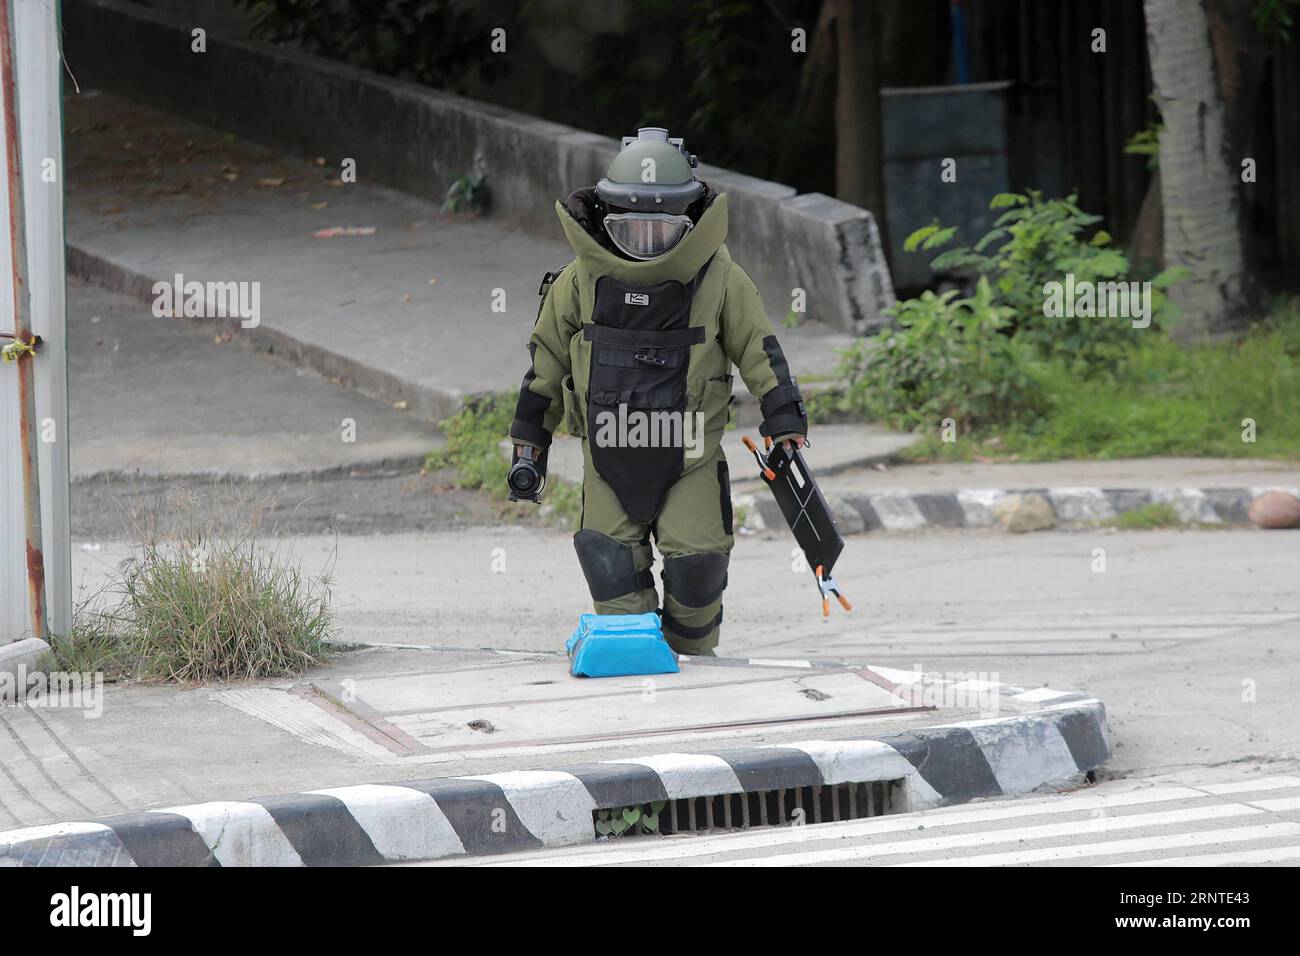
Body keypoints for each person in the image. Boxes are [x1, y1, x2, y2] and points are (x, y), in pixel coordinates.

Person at [508, 127, 807, 656]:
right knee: (609, 566)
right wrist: (529, 443)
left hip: (689, 452)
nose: (645, 243)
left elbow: (762, 351)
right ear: (605, 221)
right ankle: (638, 677)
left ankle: (694, 662)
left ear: (689, 223)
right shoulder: (577, 282)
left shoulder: (720, 278)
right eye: (631, 230)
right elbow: (545, 365)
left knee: (699, 566)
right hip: (608, 454)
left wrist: (784, 420)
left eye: (660, 231)